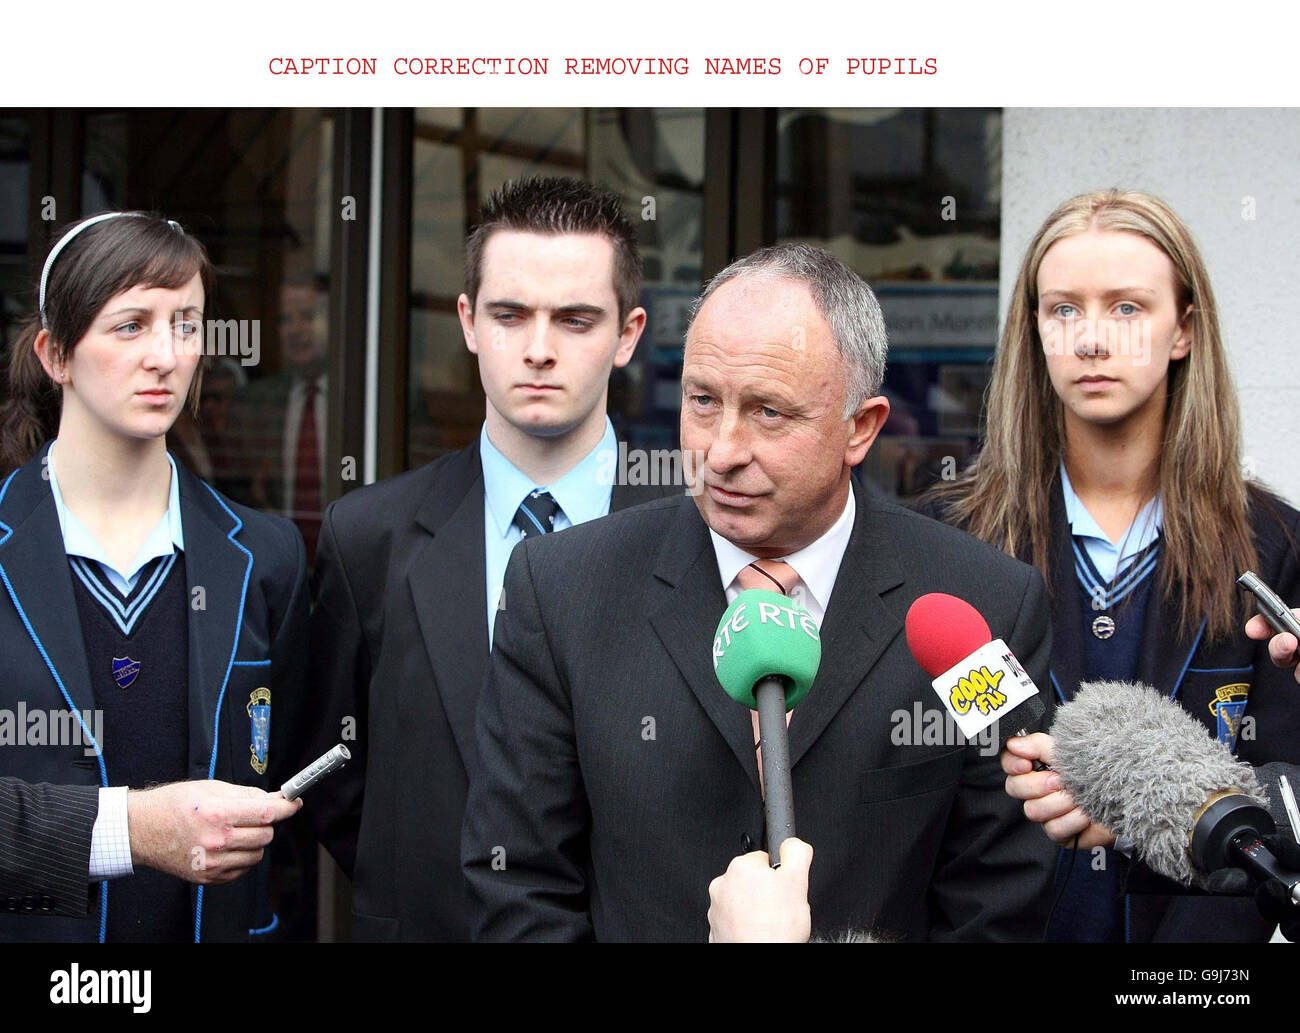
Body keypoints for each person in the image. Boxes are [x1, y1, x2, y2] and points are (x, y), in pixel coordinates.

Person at [462, 242, 1057, 942]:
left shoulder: (979, 606)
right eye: (703, 401)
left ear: (859, 428)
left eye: (769, 412)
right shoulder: (559, 591)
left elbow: (997, 903)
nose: (721, 450)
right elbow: (518, 890)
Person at [301, 176, 675, 941]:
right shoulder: (366, 536)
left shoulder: (699, 530)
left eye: (575, 319)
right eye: (511, 315)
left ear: (629, 333)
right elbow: (333, 776)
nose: (539, 349)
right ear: (469, 321)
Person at [921, 189, 1300, 942]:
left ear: (1183, 329)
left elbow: (1281, 801)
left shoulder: (1274, 547)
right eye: (1063, 309)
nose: (1091, 340)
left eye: (1127, 308)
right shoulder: (945, 539)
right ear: (1035, 330)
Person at [0, 212, 308, 942]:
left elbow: (294, 772)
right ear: (56, 354)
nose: (167, 355)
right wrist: (131, 831)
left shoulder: (266, 554)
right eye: (131, 324)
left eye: (188, 324)